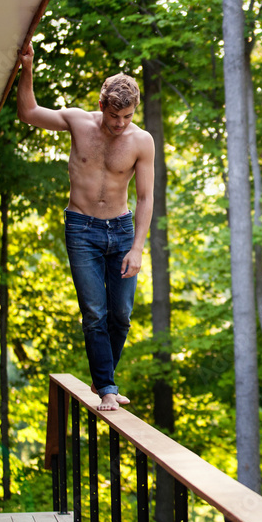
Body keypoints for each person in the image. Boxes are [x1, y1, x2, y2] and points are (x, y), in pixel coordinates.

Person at [16, 41, 154, 411]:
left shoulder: (142, 141)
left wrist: (138, 247)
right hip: (81, 229)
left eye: (126, 117)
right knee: (94, 311)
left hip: (122, 230)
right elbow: (28, 112)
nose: (120, 124)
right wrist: (27, 67)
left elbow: (144, 198)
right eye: (114, 117)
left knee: (122, 315)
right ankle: (107, 387)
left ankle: (101, 375)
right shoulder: (78, 122)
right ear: (101, 106)